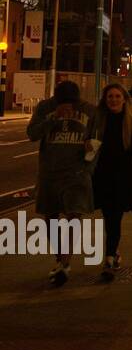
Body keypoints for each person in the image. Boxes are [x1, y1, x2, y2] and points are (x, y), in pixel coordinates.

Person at [26, 81, 94, 286]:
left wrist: (88, 166)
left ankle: (65, 262)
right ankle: (60, 258)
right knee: (51, 216)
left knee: (74, 213)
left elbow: (98, 140)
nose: (68, 106)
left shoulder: (88, 110)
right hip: (49, 173)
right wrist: (54, 118)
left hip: (76, 172)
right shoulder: (45, 108)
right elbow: (32, 134)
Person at [89, 83, 132, 279]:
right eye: (110, 97)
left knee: (114, 218)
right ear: (104, 100)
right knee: (109, 217)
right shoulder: (97, 122)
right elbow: (88, 149)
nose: (113, 100)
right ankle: (113, 252)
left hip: (125, 179)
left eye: (117, 96)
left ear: (124, 99)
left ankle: (109, 258)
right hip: (102, 177)